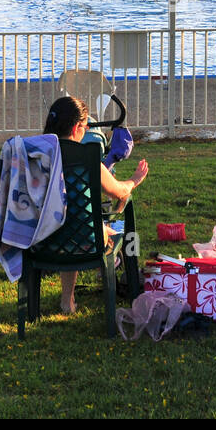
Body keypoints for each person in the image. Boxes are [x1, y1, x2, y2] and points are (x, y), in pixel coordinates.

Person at [43, 96, 148, 315]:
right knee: (122, 229)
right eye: (85, 127)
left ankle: (67, 301)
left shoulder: (35, 154)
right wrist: (135, 179)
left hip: (40, 239)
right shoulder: (87, 159)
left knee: (68, 224)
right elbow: (120, 191)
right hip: (85, 242)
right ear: (76, 128)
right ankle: (127, 276)